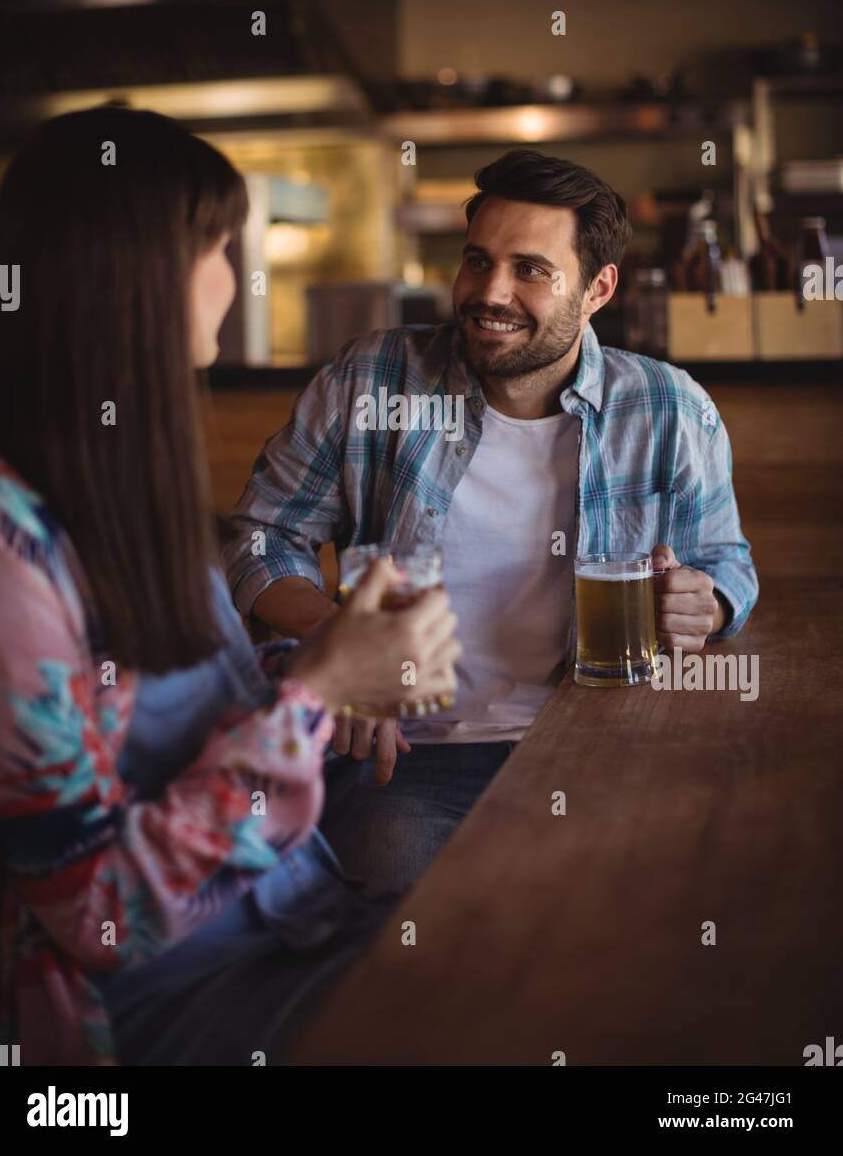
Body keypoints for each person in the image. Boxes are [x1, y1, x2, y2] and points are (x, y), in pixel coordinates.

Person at [0, 106, 460, 1067]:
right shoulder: (0, 550)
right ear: (136, 275)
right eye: (220, 246)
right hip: (154, 1011)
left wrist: (329, 673)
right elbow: (98, 914)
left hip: (284, 928)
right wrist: (315, 692)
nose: (236, 277)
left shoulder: (109, 484)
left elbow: (169, 702)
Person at [222, 149, 759, 897]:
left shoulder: (671, 409)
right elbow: (260, 538)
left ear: (598, 288)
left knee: (666, 907)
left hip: (605, 746)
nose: (491, 292)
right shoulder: (367, 382)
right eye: (478, 261)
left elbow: (727, 562)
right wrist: (340, 648)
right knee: (398, 926)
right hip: (410, 757)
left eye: (531, 269)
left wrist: (710, 599)